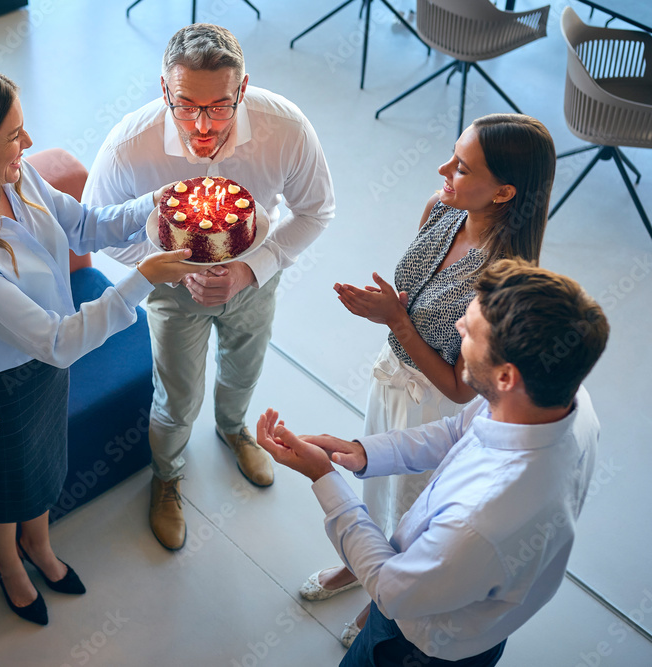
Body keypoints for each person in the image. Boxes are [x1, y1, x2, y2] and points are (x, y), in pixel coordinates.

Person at [0, 66, 193, 625]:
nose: (28, 142)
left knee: (41, 475)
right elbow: (58, 341)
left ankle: (38, 545)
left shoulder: (17, 177)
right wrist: (144, 278)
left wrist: (156, 202)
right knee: (1, 493)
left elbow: (84, 226)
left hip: (43, 375)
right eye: (14, 135)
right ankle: (9, 562)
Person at [258, 258, 609, 666]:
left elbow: (389, 589)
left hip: (420, 646)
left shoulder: (483, 523)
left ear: (506, 376)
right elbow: (459, 430)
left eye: (471, 330)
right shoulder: (561, 401)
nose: (458, 327)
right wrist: (365, 451)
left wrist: (322, 476)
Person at [300, 114, 556, 647]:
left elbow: (461, 388)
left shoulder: (504, 276)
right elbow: (415, 297)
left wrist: (396, 320)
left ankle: (381, 596)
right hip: (392, 375)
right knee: (375, 474)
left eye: (462, 167)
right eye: (452, 156)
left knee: (412, 505)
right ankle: (359, 563)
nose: (444, 170)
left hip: (435, 403)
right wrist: (392, 311)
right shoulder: (441, 208)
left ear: (504, 192)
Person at [82, 23, 336, 551]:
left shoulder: (286, 128)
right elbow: (94, 228)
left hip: (254, 278)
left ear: (243, 88)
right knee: (176, 397)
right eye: (185, 106)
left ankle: (233, 427)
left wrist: (251, 270)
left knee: (245, 368)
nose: (202, 125)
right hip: (171, 290)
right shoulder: (129, 146)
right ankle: (167, 475)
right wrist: (169, 268)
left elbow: (316, 210)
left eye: (220, 106)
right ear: (164, 90)